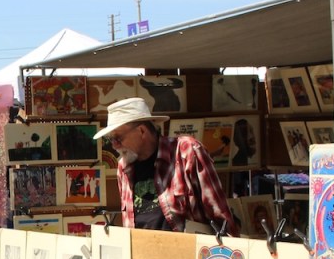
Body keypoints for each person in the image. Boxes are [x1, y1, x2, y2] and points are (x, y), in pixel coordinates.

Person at [93, 97, 236, 233]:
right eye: (111, 139)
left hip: (184, 254)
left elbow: (221, 218)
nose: (114, 145)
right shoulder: (123, 167)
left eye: (118, 138)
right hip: (142, 254)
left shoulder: (186, 152)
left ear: (141, 131)